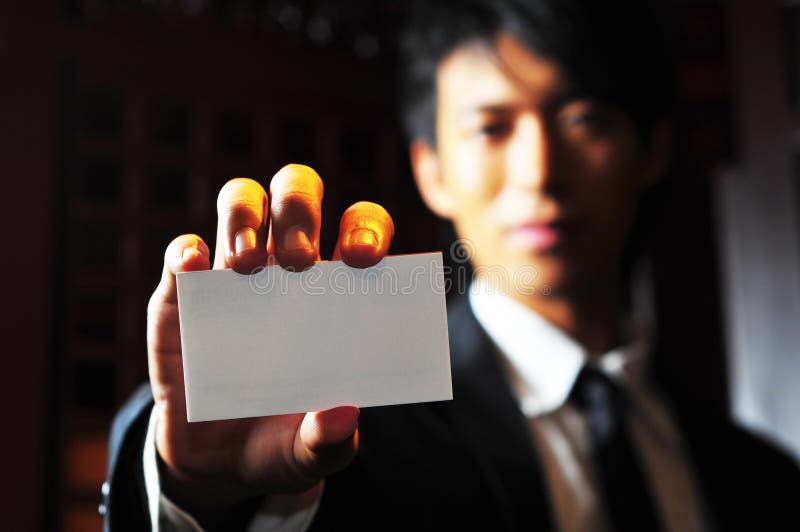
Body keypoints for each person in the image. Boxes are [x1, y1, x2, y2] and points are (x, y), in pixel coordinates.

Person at [103, 1, 800, 530]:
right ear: (430, 170)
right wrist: (200, 493)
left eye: (585, 118)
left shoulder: (762, 478)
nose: (539, 172)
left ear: (651, 150)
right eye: (491, 128)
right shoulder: (341, 428)